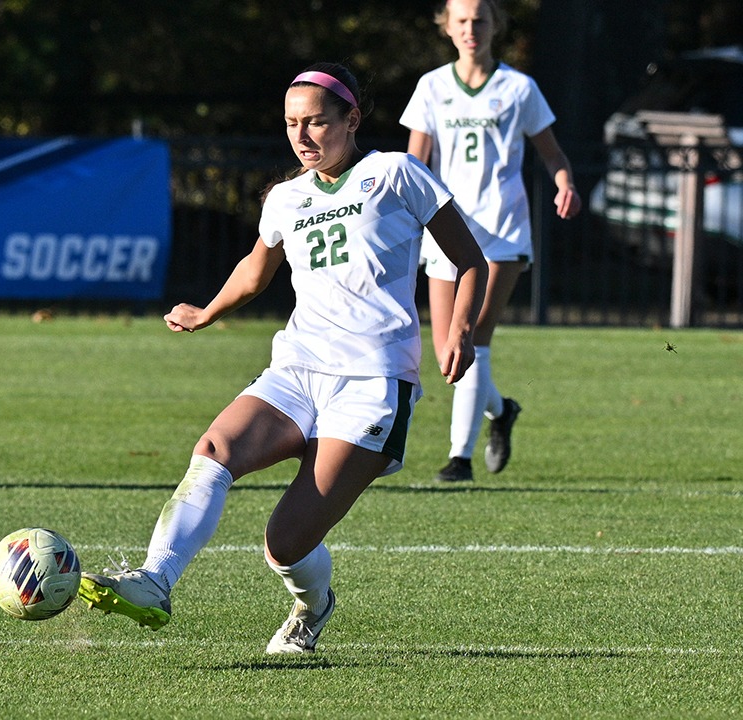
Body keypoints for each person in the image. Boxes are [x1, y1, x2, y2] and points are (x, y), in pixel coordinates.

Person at [76, 62, 487, 654]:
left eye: (316, 121)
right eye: (292, 123)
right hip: (297, 367)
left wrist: (461, 328)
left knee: (284, 544)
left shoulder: (395, 173)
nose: (302, 135)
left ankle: (313, 606)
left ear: (352, 119)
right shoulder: (287, 198)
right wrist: (208, 311)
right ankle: (155, 580)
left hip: (373, 381)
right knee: (214, 451)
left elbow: (469, 258)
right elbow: (255, 269)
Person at [400, 0, 581, 482]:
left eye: (479, 19)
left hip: (502, 229)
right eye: (461, 20)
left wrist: (564, 182)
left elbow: (552, 153)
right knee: (448, 354)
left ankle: (459, 460)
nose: (470, 28)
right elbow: (414, 164)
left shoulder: (519, 88)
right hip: (447, 229)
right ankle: (502, 410)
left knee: (473, 339)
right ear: (447, 27)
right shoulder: (432, 86)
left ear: (495, 25)